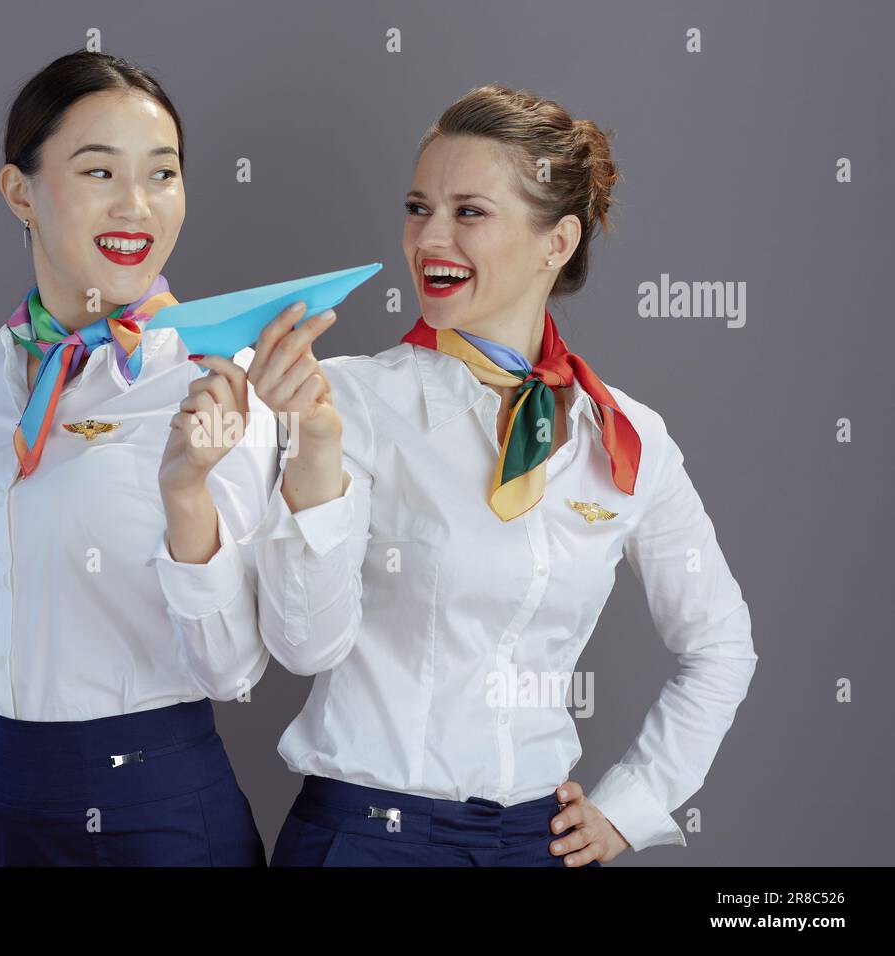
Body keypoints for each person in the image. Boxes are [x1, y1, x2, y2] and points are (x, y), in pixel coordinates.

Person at [234, 84, 757, 866]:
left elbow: (721, 644)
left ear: (558, 241)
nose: (428, 238)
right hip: (368, 841)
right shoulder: (344, 399)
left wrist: (632, 804)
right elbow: (305, 646)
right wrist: (312, 448)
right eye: (418, 208)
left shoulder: (622, 437)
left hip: (536, 844)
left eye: (469, 212)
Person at [0, 50, 277, 866]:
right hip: (12, 798)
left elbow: (235, 669)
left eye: (163, 174)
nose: (137, 206)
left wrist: (189, 489)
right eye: (99, 172)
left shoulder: (215, 380)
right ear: (20, 192)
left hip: (158, 799)